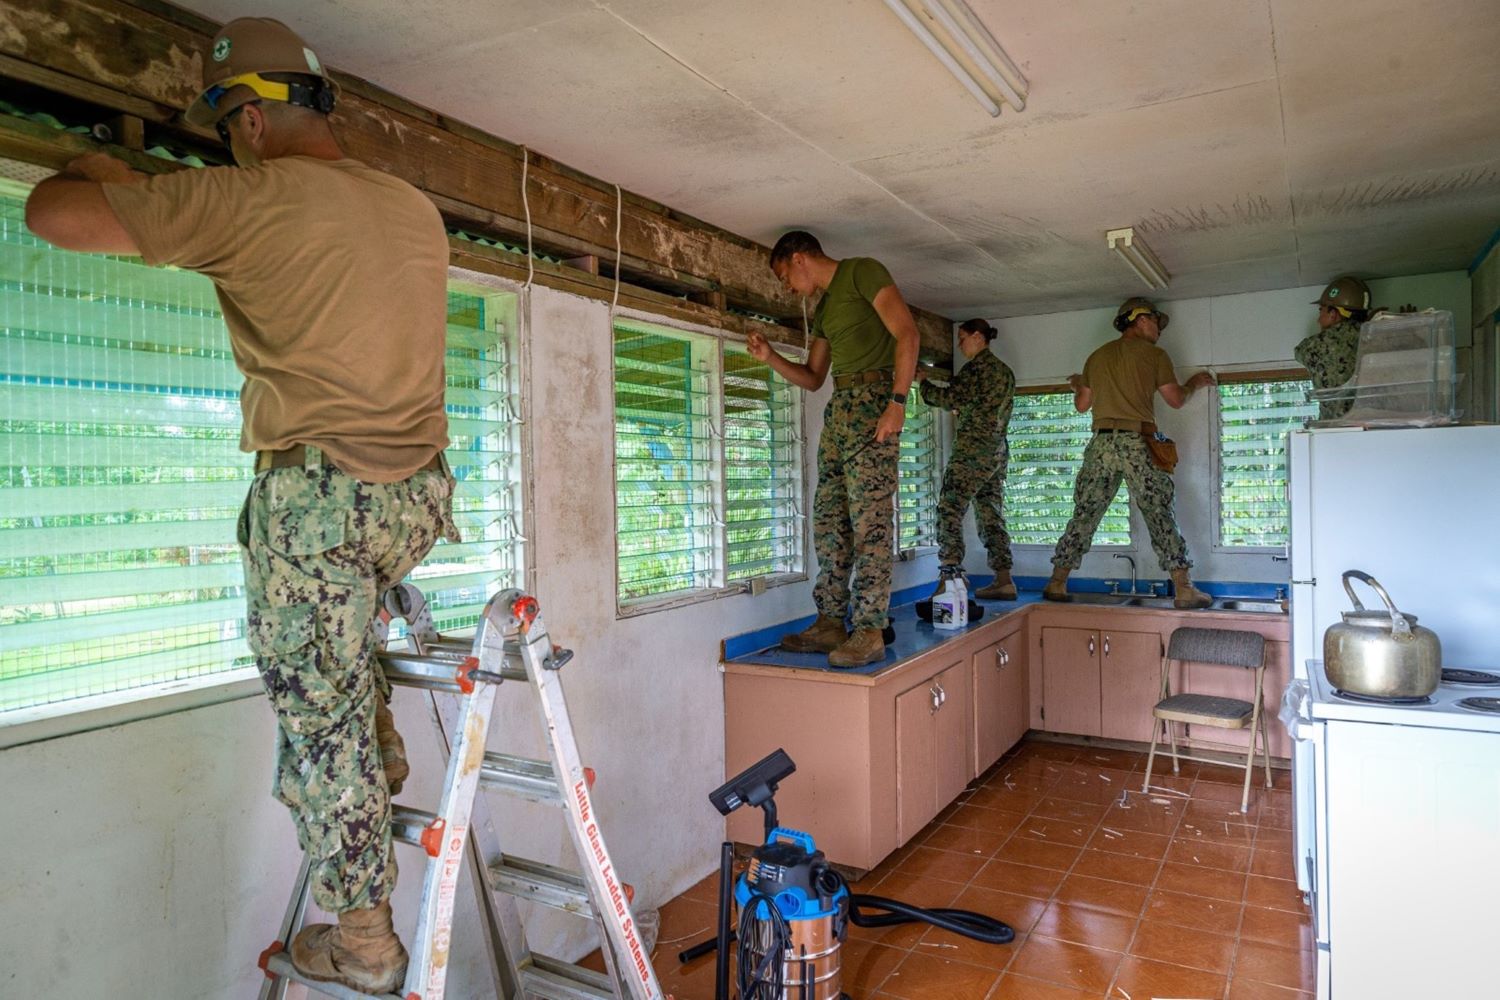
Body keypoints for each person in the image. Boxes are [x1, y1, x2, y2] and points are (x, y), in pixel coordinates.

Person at [24, 17, 456, 993]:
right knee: (345, 666)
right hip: (415, 497)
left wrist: (86, 164)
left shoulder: (249, 200)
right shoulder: (411, 210)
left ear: (252, 120)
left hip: (319, 492)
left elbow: (56, 216)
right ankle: (378, 744)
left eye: (224, 128)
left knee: (319, 715)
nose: (225, 147)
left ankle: (366, 939)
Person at [747, 231, 920, 667]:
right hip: (841, 409)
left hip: (876, 402)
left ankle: (869, 629)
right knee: (829, 521)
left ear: (800, 258)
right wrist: (769, 357)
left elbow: (908, 335)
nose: (786, 287)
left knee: (871, 525)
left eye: (785, 275)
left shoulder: (863, 271)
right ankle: (830, 621)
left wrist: (897, 403)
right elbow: (813, 377)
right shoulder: (824, 308)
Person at [1043, 297, 1216, 609]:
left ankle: (1057, 582)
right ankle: (1184, 588)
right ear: (1139, 319)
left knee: (1085, 514)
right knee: (1158, 512)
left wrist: (1079, 384)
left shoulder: (1096, 357)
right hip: (1136, 441)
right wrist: (1194, 383)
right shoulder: (1155, 355)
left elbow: (1082, 405)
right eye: (1156, 322)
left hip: (1101, 443)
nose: (1160, 330)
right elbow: (1176, 400)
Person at [916, 319, 1018, 599]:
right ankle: (1004, 579)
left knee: (949, 509)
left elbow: (950, 399)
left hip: (973, 453)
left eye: (962, 338)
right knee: (991, 513)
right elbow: (983, 407)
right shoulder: (1005, 372)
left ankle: (949, 577)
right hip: (996, 452)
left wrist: (923, 385)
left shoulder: (976, 369)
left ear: (977, 336)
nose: (960, 345)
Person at [1296, 275, 1374, 420]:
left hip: (1334, 428)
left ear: (1333, 314)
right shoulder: (1377, 335)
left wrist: (1326, 332)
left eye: (1321, 310)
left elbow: (1299, 353)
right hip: (1374, 424)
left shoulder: (1315, 345)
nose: (1318, 319)